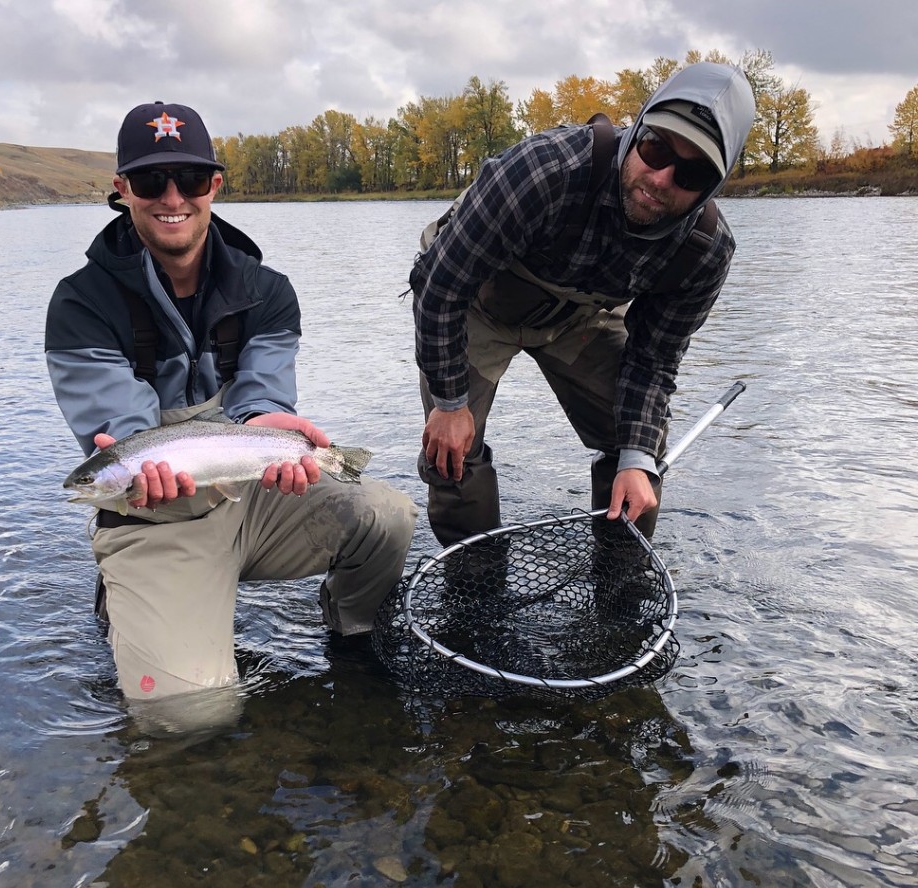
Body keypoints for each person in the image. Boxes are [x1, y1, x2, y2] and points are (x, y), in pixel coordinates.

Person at [46, 101, 417, 724]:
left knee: (387, 515)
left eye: (189, 180)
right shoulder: (81, 303)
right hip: (154, 516)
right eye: (149, 181)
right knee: (191, 718)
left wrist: (267, 425)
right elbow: (127, 429)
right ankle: (131, 595)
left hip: (251, 491)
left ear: (214, 185)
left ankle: (354, 639)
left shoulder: (267, 290)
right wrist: (128, 467)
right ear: (121, 190)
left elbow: (262, 396)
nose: (173, 197)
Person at [410, 62, 756, 547]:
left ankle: (620, 583)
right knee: (451, 447)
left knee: (639, 447)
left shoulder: (705, 250)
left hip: (578, 318)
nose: (660, 178)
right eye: (655, 148)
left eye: (692, 172)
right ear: (636, 130)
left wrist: (637, 458)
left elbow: (653, 360)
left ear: (713, 186)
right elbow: (441, 286)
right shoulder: (543, 171)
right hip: (476, 302)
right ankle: (476, 576)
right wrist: (449, 403)